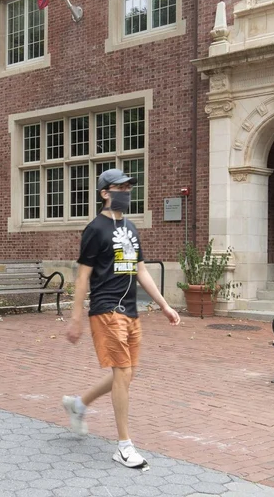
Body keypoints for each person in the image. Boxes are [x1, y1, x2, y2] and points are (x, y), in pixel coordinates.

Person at [62, 168, 180, 469]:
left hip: (130, 310)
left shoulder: (130, 227)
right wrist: (76, 318)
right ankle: (124, 446)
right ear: (105, 193)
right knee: (123, 372)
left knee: (126, 375)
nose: (126, 193)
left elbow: (141, 270)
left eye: (128, 188)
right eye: (120, 188)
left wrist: (164, 305)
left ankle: (78, 404)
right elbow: (83, 277)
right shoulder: (95, 229)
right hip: (106, 309)